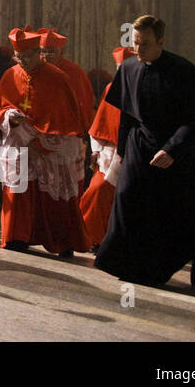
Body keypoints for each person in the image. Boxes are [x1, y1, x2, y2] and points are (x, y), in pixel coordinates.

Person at [94, 15, 195, 288]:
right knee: (128, 201)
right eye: (135, 43)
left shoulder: (183, 71)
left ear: (161, 41)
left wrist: (172, 149)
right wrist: (123, 152)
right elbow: (127, 114)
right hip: (139, 145)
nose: (138, 50)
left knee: (176, 211)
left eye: (146, 44)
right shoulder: (127, 69)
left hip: (175, 150)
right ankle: (133, 266)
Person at [0, 25, 88, 255]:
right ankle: (16, 237)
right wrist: (9, 117)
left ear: (38, 53)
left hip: (50, 147)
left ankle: (61, 242)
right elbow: (0, 107)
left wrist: (39, 142)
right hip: (19, 144)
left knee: (53, 195)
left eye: (27, 57)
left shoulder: (57, 78)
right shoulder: (10, 75)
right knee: (18, 192)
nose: (23, 62)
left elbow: (66, 119)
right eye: (19, 57)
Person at [79, 46, 133, 248]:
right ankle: (94, 239)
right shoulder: (111, 88)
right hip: (108, 153)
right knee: (96, 193)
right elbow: (99, 124)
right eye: (119, 67)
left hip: (130, 155)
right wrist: (95, 149)